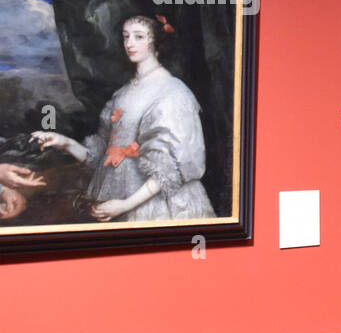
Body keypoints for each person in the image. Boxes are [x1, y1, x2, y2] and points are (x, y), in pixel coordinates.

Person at [33, 14, 214, 222]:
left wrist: (125, 205)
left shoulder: (173, 92)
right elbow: (101, 156)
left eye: (139, 37)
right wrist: (64, 142)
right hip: (113, 195)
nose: (129, 43)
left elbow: (172, 166)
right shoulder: (122, 94)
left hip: (155, 205)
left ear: (156, 40)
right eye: (126, 36)